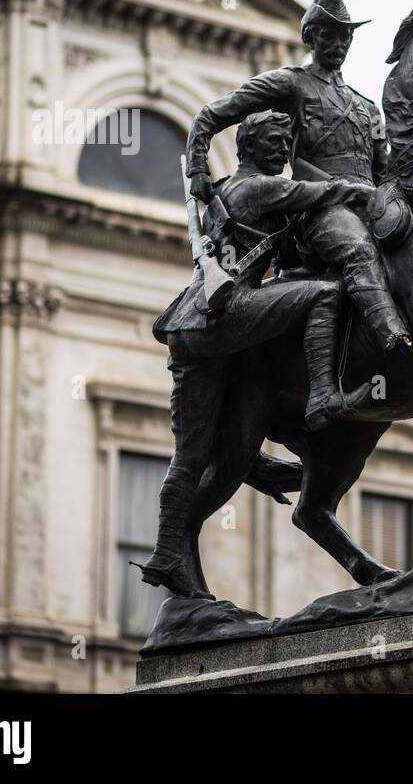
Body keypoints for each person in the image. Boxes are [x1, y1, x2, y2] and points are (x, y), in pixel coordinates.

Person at [140, 109, 372, 597]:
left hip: (192, 328)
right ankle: (323, 395)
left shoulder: (226, 190)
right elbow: (325, 193)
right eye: (271, 141)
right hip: (226, 314)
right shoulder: (258, 188)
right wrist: (367, 190)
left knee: (192, 453)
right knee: (325, 294)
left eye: (285, 143)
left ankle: (167, 552)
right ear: (247, 145)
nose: (281, 151)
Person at [184, 0, 411, 352]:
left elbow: (385, 170)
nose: (338, 44)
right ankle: (391, 334)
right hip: (321, 209)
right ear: (311, 37)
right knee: (357, 248)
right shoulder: (292, 84)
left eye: (344, 37)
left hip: (370, 203)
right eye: (329, 35)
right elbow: (211, 115)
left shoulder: (368, 107)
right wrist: (198, 165)